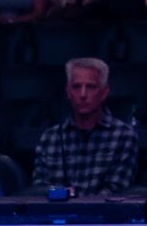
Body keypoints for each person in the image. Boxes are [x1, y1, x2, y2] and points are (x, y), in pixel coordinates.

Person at [32, 59, 139, 194]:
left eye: (91, 87)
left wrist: (73, 199)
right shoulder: (50, 138)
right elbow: (40, 191)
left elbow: (115, 189)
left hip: (101, 208)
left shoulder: (124, 136)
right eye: (76, 87)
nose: (83, 94)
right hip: (58, 207)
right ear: (68, 92)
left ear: (104, 92)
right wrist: (66, 196)